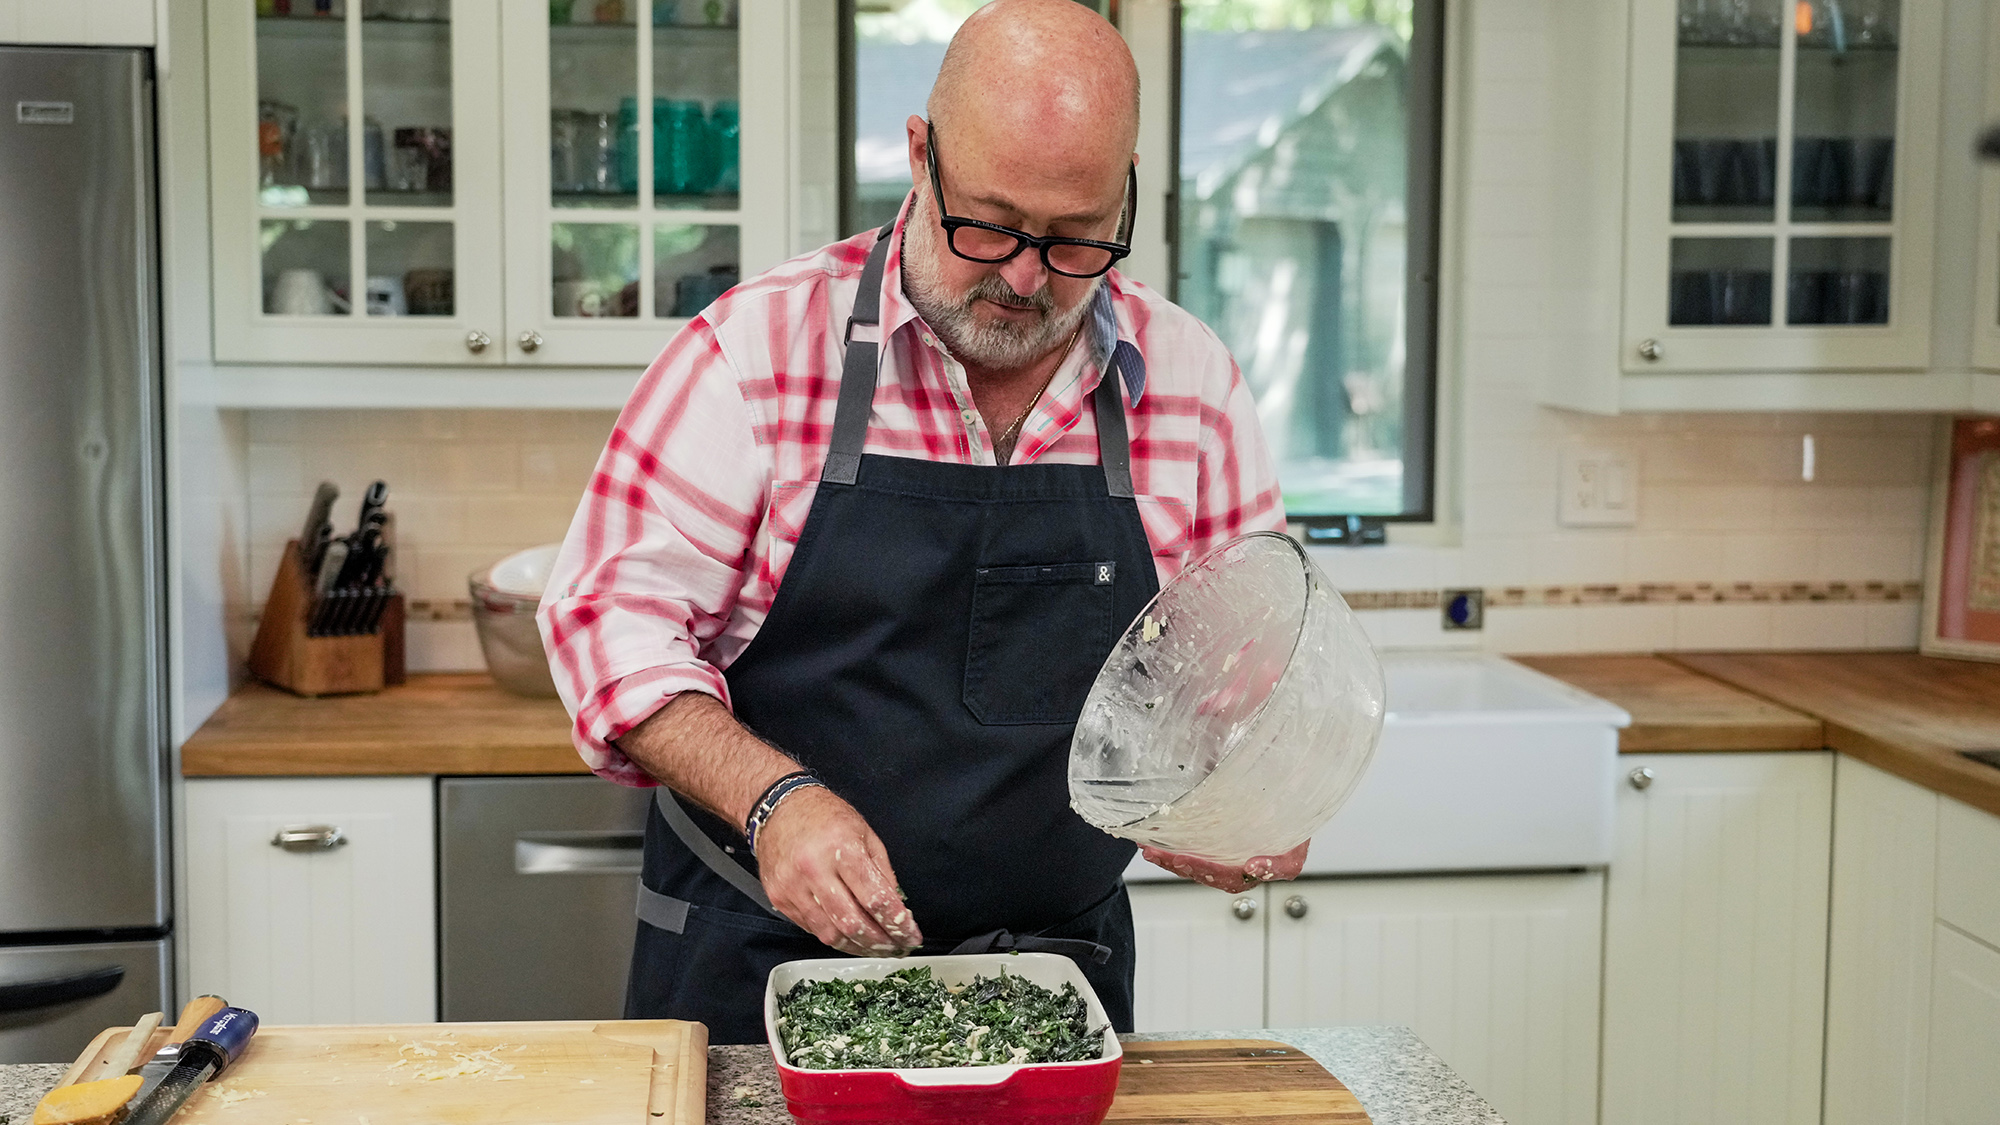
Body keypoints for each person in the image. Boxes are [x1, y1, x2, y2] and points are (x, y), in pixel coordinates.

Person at [539, 0, 1304, 1045]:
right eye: (986, 225)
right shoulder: (754, 355)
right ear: (918, 156)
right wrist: (772, 799)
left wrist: (1239, 794)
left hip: (1050, 982)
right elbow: (605, 622)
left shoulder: (1190, 384)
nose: (1026, 277)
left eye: (1077, 238)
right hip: (755, 969)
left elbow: (1236, 674)